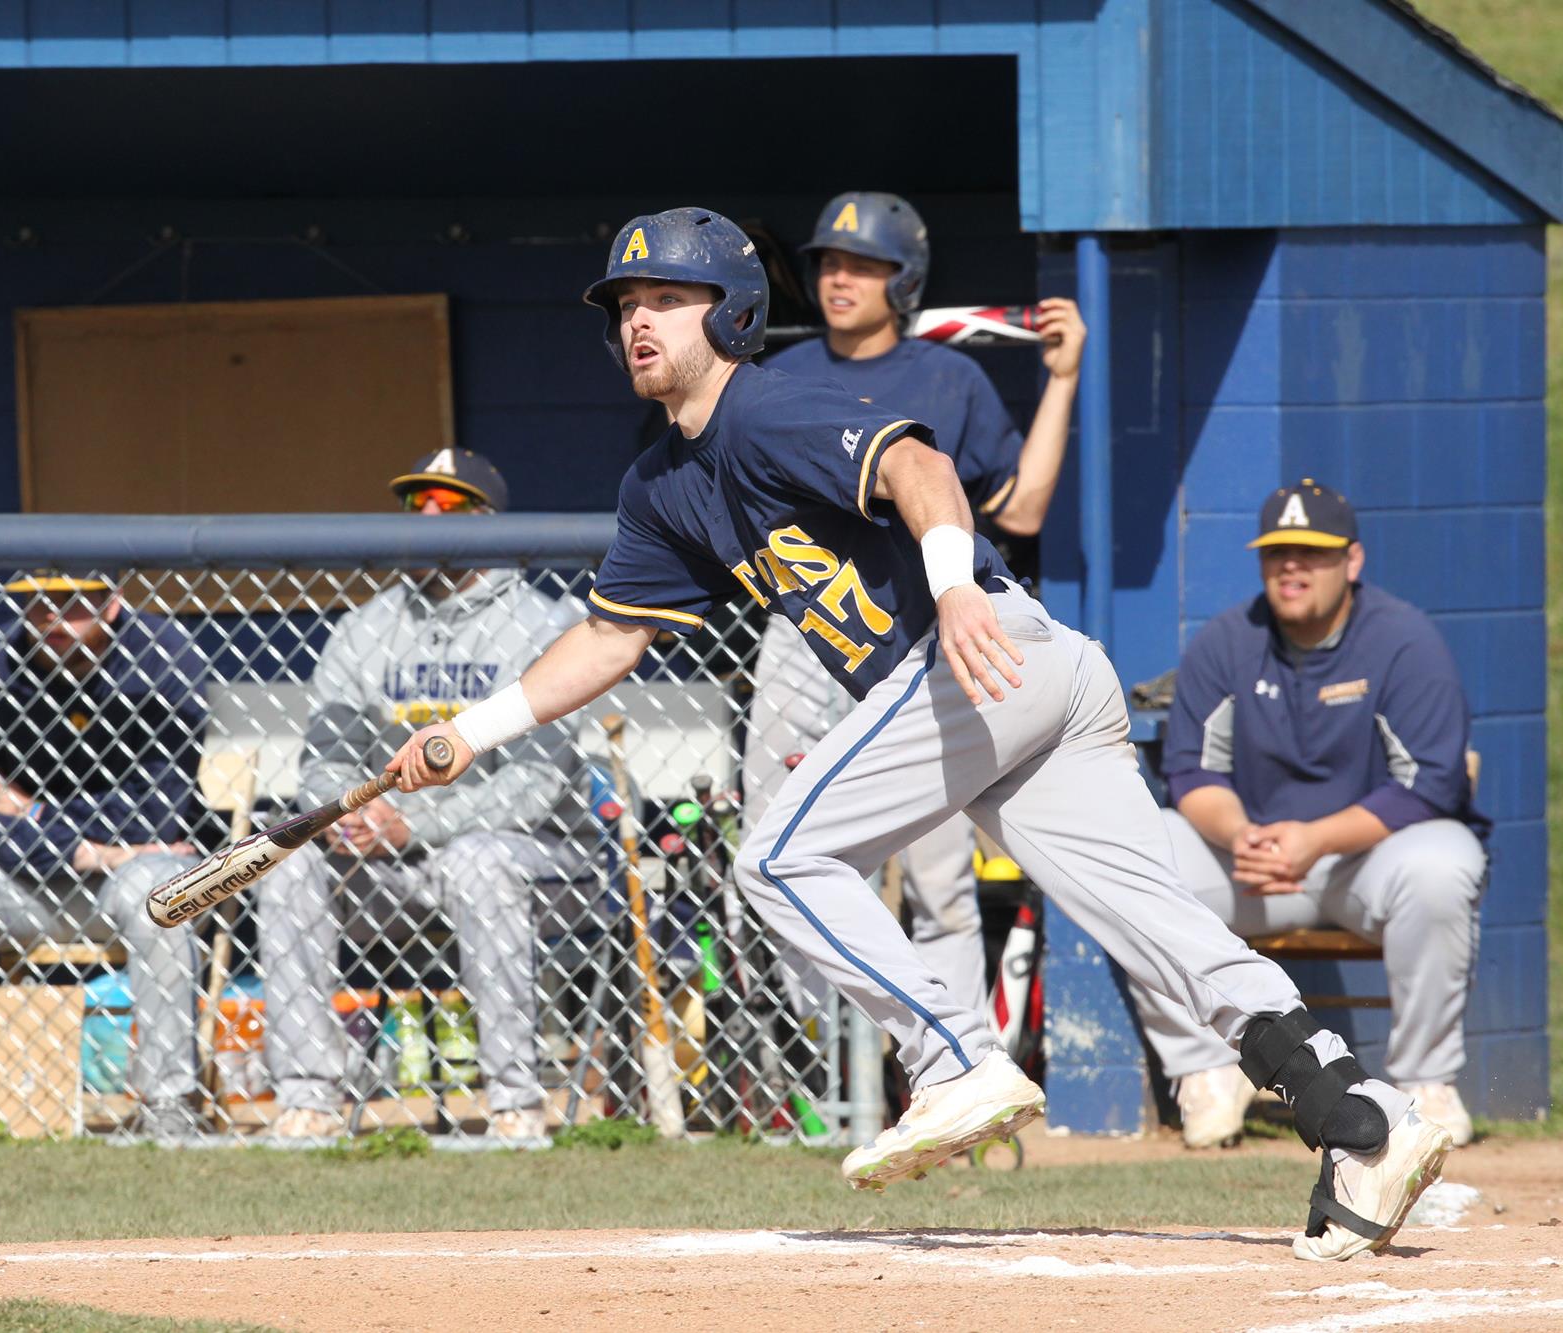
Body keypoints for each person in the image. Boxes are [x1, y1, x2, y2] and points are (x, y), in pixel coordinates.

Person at [387, 207, 1449, 1262]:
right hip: (1017, 679)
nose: (638, 320)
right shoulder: (659, 484)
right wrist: (467, 735)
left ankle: (951, 1058)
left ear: (736, 312)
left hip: (979, 654)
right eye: (625, 303)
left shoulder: (766, 410)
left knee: (777, 855)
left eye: (667, 297)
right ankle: (1359, 1117)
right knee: (1154, 922)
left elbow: (918, 470)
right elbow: (611, 636)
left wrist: (950, 591)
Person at [747, 190, 1085, 1014]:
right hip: (805, 628)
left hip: (917, 635)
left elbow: (1024, 510)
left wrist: (1063, 380)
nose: (839, 278)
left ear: (904, 280)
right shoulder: (778, 378)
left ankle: (963, 1068)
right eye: (829, 261)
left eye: (865, 265)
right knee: (773, 838)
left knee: (936, 871)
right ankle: (809, 1065)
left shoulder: (949, 376)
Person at [1130, 481, 1488, 1149]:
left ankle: (1424, 1083)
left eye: (1312, 553)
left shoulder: (1404, 640)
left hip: (1362, 865)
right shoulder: (1229, 641)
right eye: (1277, 553)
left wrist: (1316, 838)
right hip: (1255, 864)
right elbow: (1191, 772)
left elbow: (1433, 784)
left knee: (1446, 861)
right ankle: (1206, 1070)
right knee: (1134, 861)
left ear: (1351, 561)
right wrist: (1242, 835)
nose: (1291, 567)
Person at [257, 450, 581, 1146]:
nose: (428, 516)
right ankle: (307, 1098)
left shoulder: (546, 623)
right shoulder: (364, 628)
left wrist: (416, 822)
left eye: (451, 504)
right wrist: (351, 811)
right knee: (292, 865)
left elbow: (538, 784)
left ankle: (515, 1101)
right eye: (416, 503)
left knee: (478, 861)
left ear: (490, 523)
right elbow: (325, 756)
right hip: (389, 857)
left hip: (541, 858)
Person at [0, 573, 207, 1139]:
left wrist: (30, 812)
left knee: (159, 898)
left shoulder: (165, 657)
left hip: (132, 876)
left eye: (74, 602)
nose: (52, 616)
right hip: (24, 882)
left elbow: (160, 815)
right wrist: (83, 848)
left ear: (113, 604)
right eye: (37, 602)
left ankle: (170, 1107)